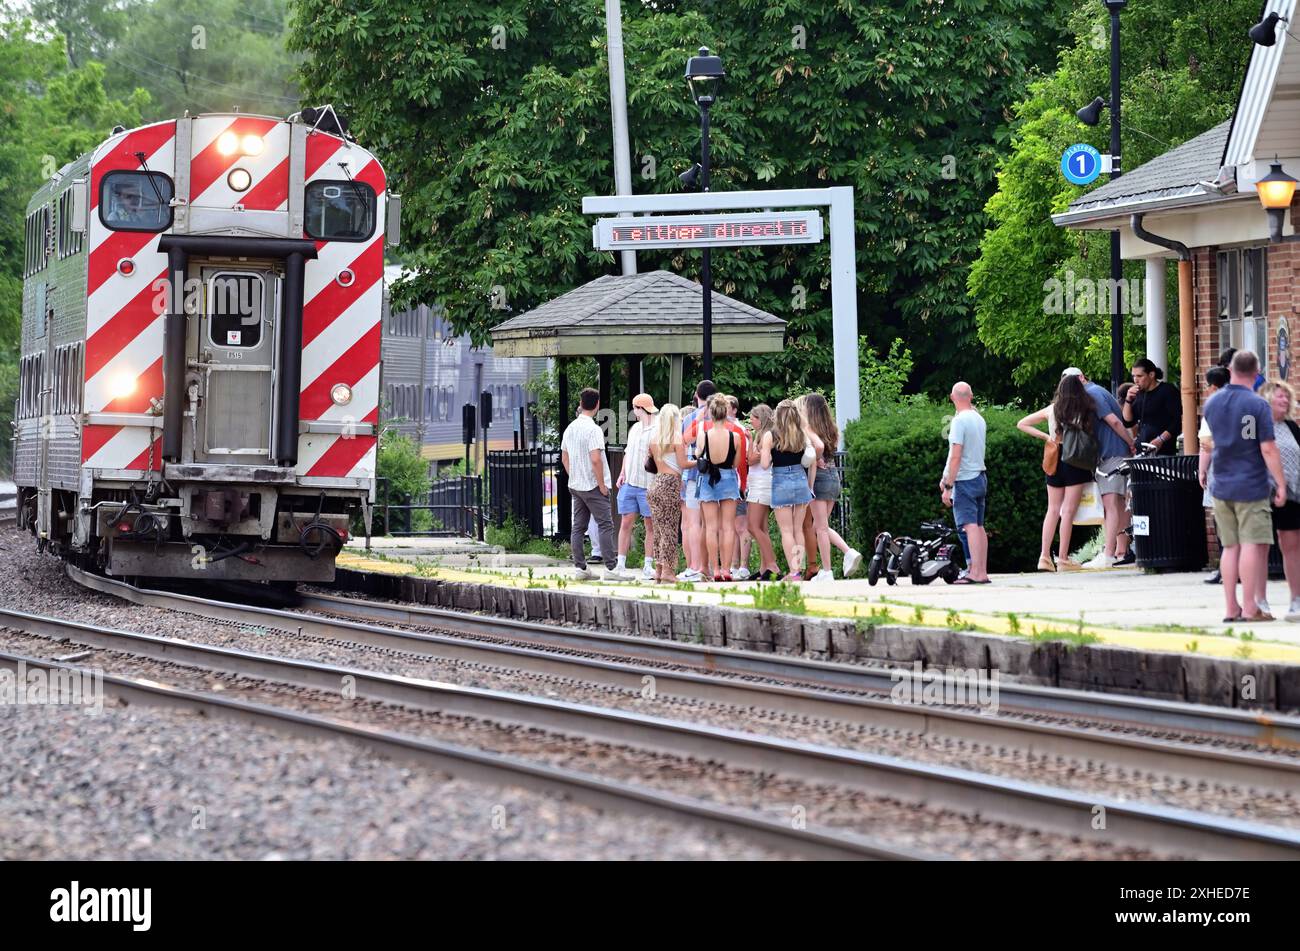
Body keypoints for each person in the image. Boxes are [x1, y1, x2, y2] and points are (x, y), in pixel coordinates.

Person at [1199, 351, 1286, 622]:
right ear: (1256, 370)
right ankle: (1250, 606)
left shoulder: (1212, 403)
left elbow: (1208, 442)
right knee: (1251, 543)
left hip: (1221, 482)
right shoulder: (1258, 404)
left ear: (1231, 369)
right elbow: (1268, 448)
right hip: (1251, 482)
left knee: (1230, 546)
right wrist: (1281, 483)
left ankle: (1230, 607)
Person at [1017, 374, 1097, 571]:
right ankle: (1063, 558)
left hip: (1053, 457)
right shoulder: (1084, 408)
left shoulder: (1051, 409)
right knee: (1068, 511)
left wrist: (1046, 436)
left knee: (1052, 509)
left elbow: (1022, 423)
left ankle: (1044, 556)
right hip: (1075, 459)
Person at [1062, 367, 1138, 568]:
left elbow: (1113, 421)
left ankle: (1109, 553)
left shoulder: (1092, 394)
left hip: (1111, 455)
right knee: (1119, 504)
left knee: (1110, 504)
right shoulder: (1096, 392)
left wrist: (1130, 443)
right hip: (1115, 453)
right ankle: (1122, 551)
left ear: (1081, 377)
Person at [799, 393, 863, 581]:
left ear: (810, 410)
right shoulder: (831, 429)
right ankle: (846, 554)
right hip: (833, 476)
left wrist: (814, 458)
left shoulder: (809, 428)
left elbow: (817, 447)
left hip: (818, 478)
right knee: (822, 526)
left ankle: (828, 570)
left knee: (819, 528)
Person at [560, 388, 619, 581]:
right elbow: (596, 459)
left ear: (581, 402)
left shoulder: (570, 428)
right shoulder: (594, 430)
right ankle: (611, 568)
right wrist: (601, 485)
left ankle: (581, 567)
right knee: (605, 525)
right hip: (593, 485)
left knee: (578, 527)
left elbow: (565, 458)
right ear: (597, 405)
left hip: (576, 485)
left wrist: (574, 475)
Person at [940, 382, 990, 584]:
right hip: (980, 476)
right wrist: (946, 477)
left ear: (953, 397)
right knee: (978, 526)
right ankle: (982, 571)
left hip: (965, 480)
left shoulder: (959, 421)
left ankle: (975, 573)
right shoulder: (978, 418)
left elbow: (956, 456)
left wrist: (948, 485)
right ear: (970, 396)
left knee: (969, 527)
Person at [694, 393, 747, 581]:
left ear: (711, 413)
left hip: (709, 478)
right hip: (728, 478)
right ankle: (726, 570)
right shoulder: (735, 437)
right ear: (726, 413)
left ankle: (714, 569)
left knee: (710, 527)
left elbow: (697, 455)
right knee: (728, 527)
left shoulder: (703, 435)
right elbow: (735, 463)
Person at [763, 399, 814, 580]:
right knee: (798, 529)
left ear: (778, 414)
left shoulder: (771, 435)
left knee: (786, 530)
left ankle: (793, 573)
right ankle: (797, 570)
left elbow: (763, 464)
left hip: (780, 481)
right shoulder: (801, 433)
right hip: (800, 480)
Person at [1262, 381, 1300, 622]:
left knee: (1292, 546)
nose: (1285, 401)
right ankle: (1258, 601)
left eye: (1287, 397)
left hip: (1293, 494)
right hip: (1264, 493)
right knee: (1259, 548)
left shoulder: (1291, 426)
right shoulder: (1258, 426)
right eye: (1280, 397)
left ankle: (1296, 599)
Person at [647, 404, 695, 583]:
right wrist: (697, 461)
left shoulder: (654, 438)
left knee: (659, 530)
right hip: (670, 484)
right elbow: (682, 464)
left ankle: (659, 570)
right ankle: (668, 571)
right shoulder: (676, 438)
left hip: (656, 483)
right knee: (669, 530)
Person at [613, 393, 658, 580]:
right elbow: (627, 453)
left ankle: (648, 565)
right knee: (626, 523)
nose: (633, 411)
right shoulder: (635, 429)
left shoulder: (657, 429)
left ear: (641, 409)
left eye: (635, 407)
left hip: (649, 483)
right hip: (630, 481)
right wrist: (622, 472)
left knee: (650, 526)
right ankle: (620, 564)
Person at [676, 380, 716, 582]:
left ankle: (694, 566)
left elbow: (684, 442)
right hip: (718, 475)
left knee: (693, 523)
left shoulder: (691, 417)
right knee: (713, 524)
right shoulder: (721, 416)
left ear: (696, 395)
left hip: (694, 475)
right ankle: (710, 567)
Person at [743, 404, 781, 580]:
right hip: (759, 482)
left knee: (752, 526)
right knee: (762, 528)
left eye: (754, 418)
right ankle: (764, 566)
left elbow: (750, 459)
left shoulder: (766, 435)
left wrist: (750, 441)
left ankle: (772, 565)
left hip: (761, 483)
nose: (751, 421)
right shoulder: (765, 434)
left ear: (761, 419)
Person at [1200, 366, 1230, 585]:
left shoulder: (1213, 407)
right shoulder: (1248, 402)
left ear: (1212, 386)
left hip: (1219, 469)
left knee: (1220, 521)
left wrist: (1202, 470)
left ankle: (1224, 569)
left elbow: (1205, 443)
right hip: (1247, 469)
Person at [1124, 358, 1182, 456]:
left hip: (1163, 450)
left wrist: (1160, 439)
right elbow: (1128, 422)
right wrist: (1128, 400)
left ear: (1151, 375)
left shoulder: (1167, 390)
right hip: (1142, 449)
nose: (1135, 380)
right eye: (1133, 376)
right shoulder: (1139, 394)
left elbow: (1176, 423)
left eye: (1139, 376)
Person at [725, 395, 754, 579]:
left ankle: (743, 565)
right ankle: (734, 565)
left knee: (741, 526)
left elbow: (744, 461)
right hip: (733, 483)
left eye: (726, 406)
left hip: (738, 483)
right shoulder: (729, 429)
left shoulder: (740, 430)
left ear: (734, 410)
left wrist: (742, 484)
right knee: (733, 526)